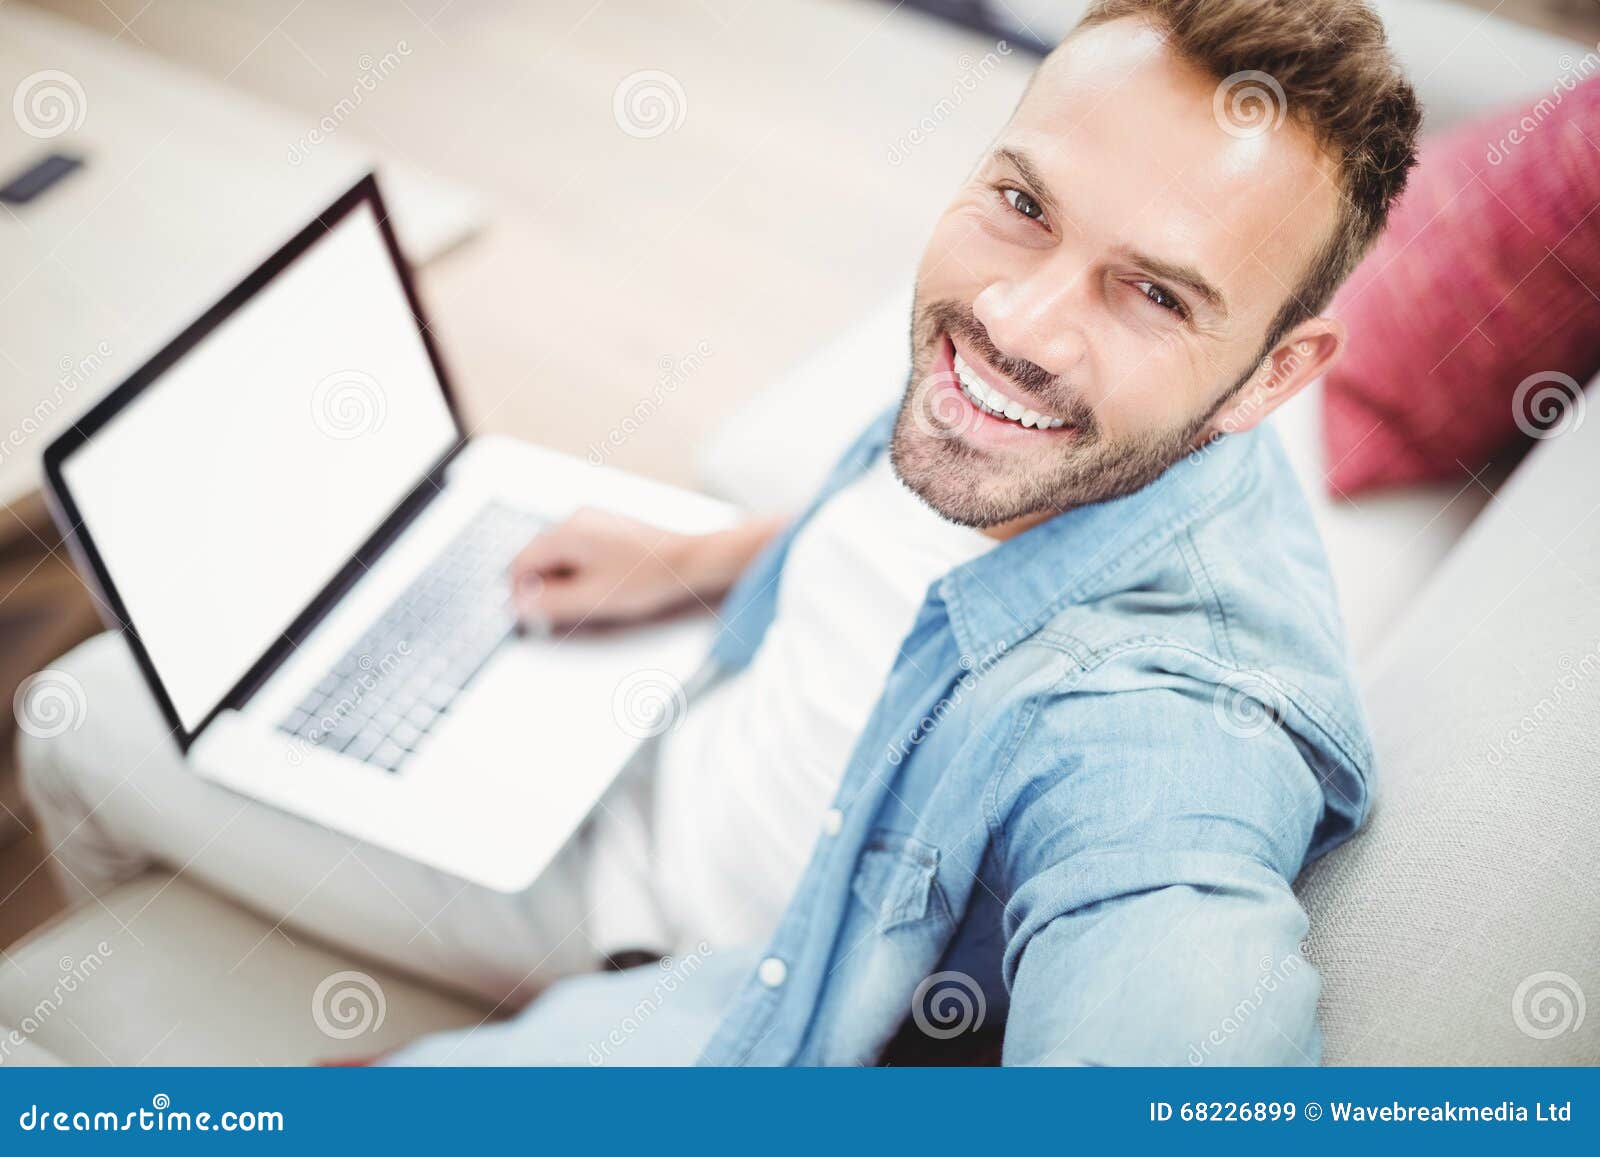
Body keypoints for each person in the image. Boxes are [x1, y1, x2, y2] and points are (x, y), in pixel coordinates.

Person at [22, 0, 1420, 1065]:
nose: (1016, 322)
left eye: (1154, 295)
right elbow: (900, 513)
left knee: (72, 712)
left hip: (672, 944)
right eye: (1022, 203)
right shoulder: (1070, 416)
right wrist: (690, 558)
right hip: (673, 704)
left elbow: (1169, 1005)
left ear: (1276, 376)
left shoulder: (1170, 737)